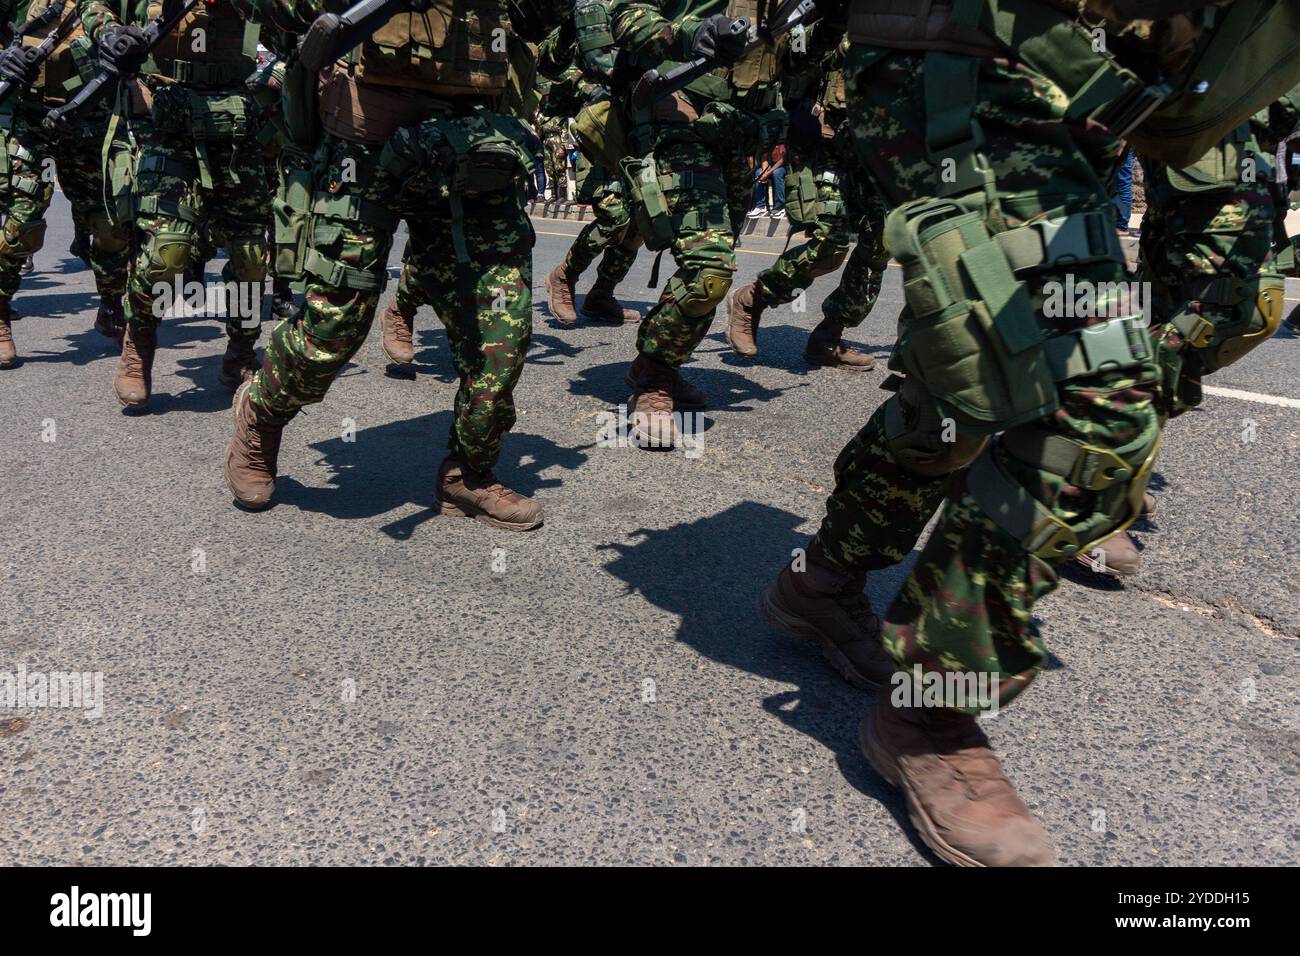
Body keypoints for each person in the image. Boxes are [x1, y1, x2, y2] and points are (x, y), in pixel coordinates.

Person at [760, 0, 1298, 866]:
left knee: (960, 395)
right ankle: (931, 710)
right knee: (1095, 407)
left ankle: (821, 578)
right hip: (960, 67)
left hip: (1076, 93)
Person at [222, 0, 567, 531]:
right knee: (334, 326)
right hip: (365, 146)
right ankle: (262, 415)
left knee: (502, 326)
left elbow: (540, 20)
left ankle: (467, 473)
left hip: (472, 147)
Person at [78, 0, 272, 409]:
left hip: (234, 120)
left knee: (251, 253)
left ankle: (240, 351)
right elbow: (94, 5)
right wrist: (110, 32)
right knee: (167, 251)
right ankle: (139, 345)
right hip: (163, 116)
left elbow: (299, 30)